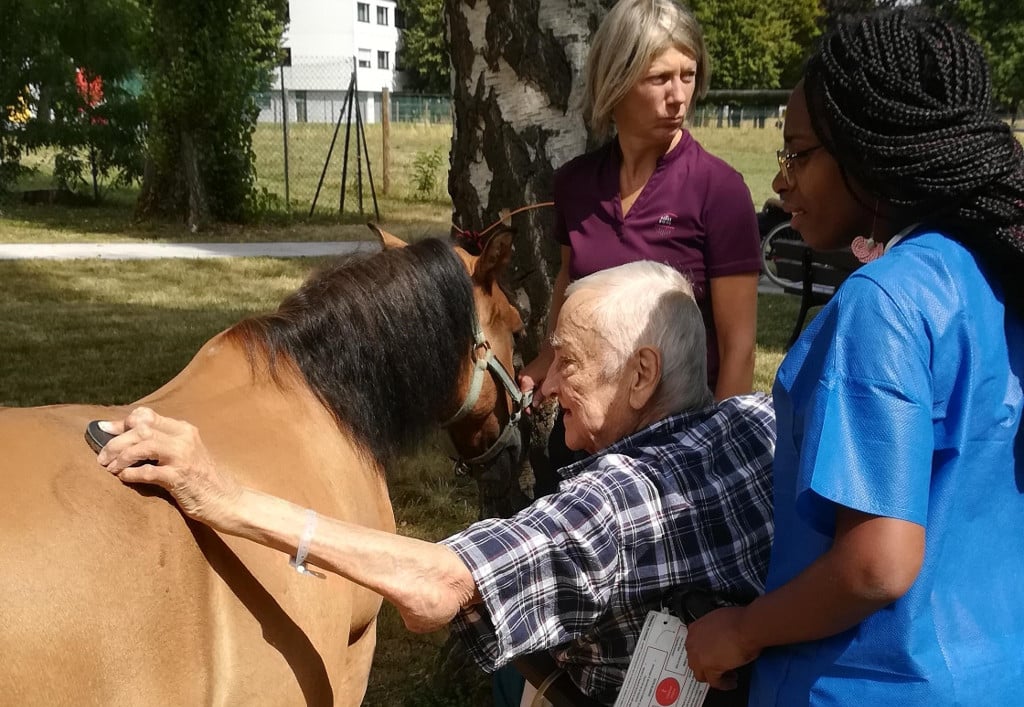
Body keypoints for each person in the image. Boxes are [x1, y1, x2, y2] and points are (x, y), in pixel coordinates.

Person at [97, 260, 776, 706]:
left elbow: (439, 586)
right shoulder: (757, 422)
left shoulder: (614, 504)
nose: (548, 380)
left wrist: (225, 494)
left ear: (641, 375)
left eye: (569, 359)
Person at [685, 8, 1024, 705]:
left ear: (871, 151)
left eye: (799, 153)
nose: (781, 181)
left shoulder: (886, 303)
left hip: (866, 683)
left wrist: (743, 631)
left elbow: (878, 561)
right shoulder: (1000, 273)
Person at [518, 0, 763, 494]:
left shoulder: (720, 189)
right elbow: (570, 285)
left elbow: (738, 344)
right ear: (616, 80)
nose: (680, 97)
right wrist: (548, 361)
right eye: (659, 79)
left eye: (688, 75)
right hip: (585, 441)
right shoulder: (575, 186)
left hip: (678, 450)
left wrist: (716, 457)